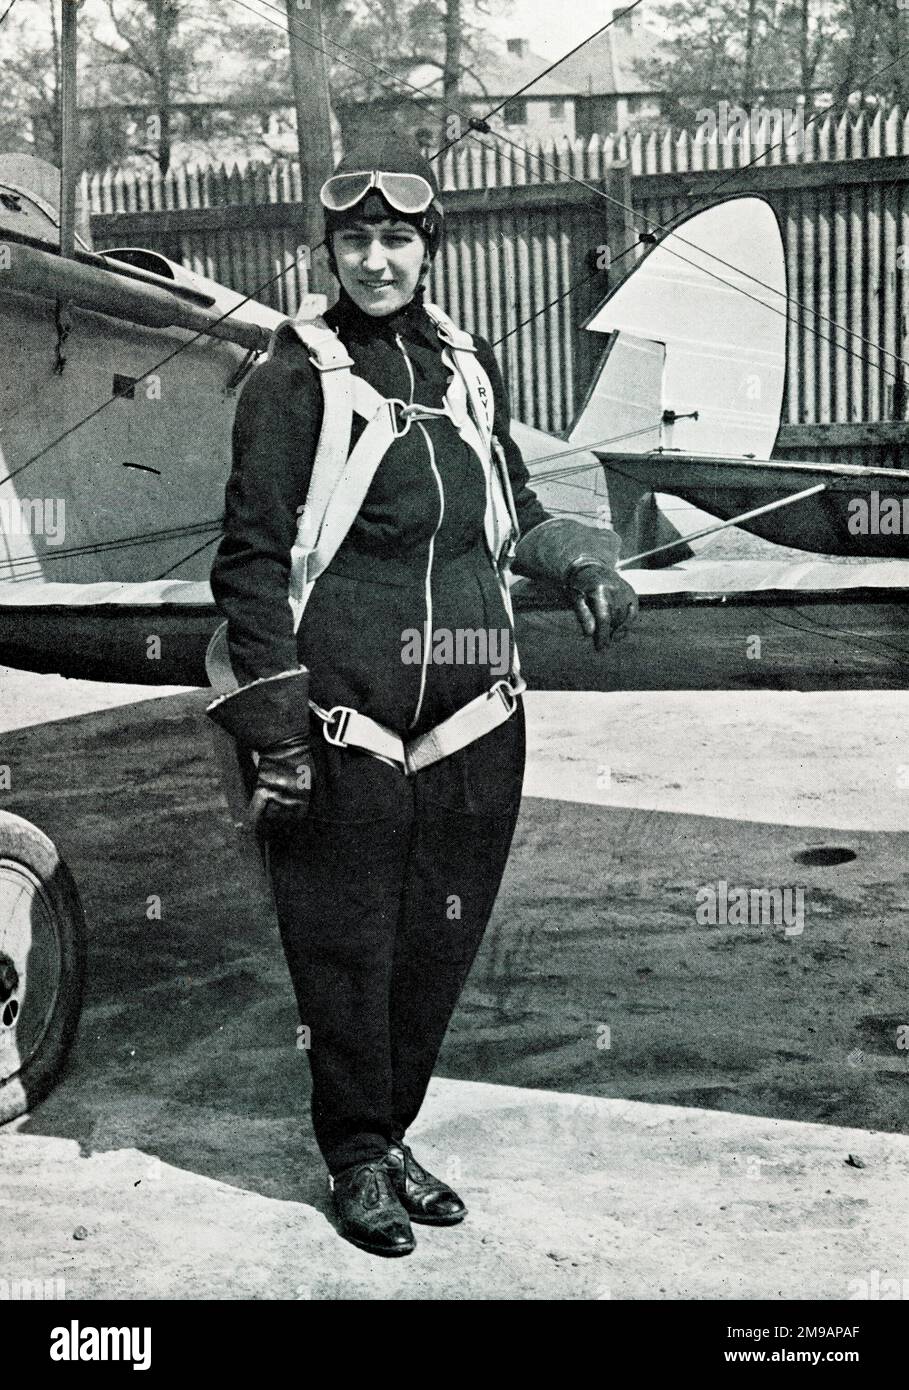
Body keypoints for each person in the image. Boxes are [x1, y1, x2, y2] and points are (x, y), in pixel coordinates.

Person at [206, 133, 638, 1257]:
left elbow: (519, 517)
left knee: (439, 944)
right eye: (356, 240)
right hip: (346, 713)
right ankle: (353, 1155)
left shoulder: (467, 365)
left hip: (478, 712)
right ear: (331, 250)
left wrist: (584, 562)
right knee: (345, 942)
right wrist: (277, 728)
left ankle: (390, 1132)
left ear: (429, 248)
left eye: (398, 238)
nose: (378, 261)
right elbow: (250, 561)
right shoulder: (294, 376)